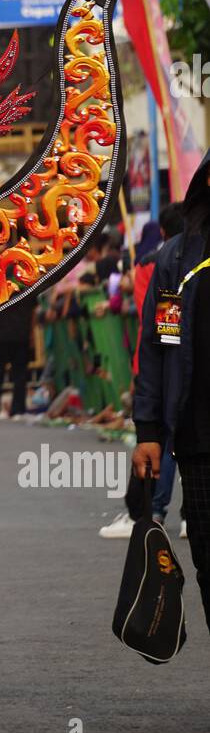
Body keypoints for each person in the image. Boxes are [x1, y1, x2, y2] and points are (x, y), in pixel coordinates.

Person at [133, 152, 210, 635]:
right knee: (206, 557)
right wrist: (148, 430)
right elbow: (159, 347)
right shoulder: (175, 259)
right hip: (199, 441)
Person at [100, 203, 185, 540]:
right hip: (170, 364)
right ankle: (156, 512)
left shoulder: (158, 261)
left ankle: (163, 511)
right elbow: (165, 330)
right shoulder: (168, 263)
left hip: (172, 367)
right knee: (165, 439)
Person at [0, 295, 36, 421]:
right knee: (20, 374)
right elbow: (33, 309)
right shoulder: (29, 278)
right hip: (22, 333)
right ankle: (18, 410)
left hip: (0, 333)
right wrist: (31, 333)